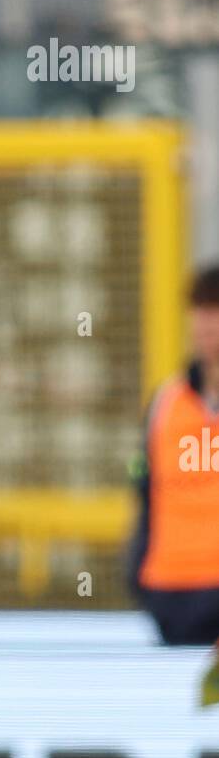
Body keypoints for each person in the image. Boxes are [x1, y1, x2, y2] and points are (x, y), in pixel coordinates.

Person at [129, 265, 219, 704]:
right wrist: (140, 576)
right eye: (201, 312)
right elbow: (143, 488)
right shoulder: (167, 402)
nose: (207, 326)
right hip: (173, 594)